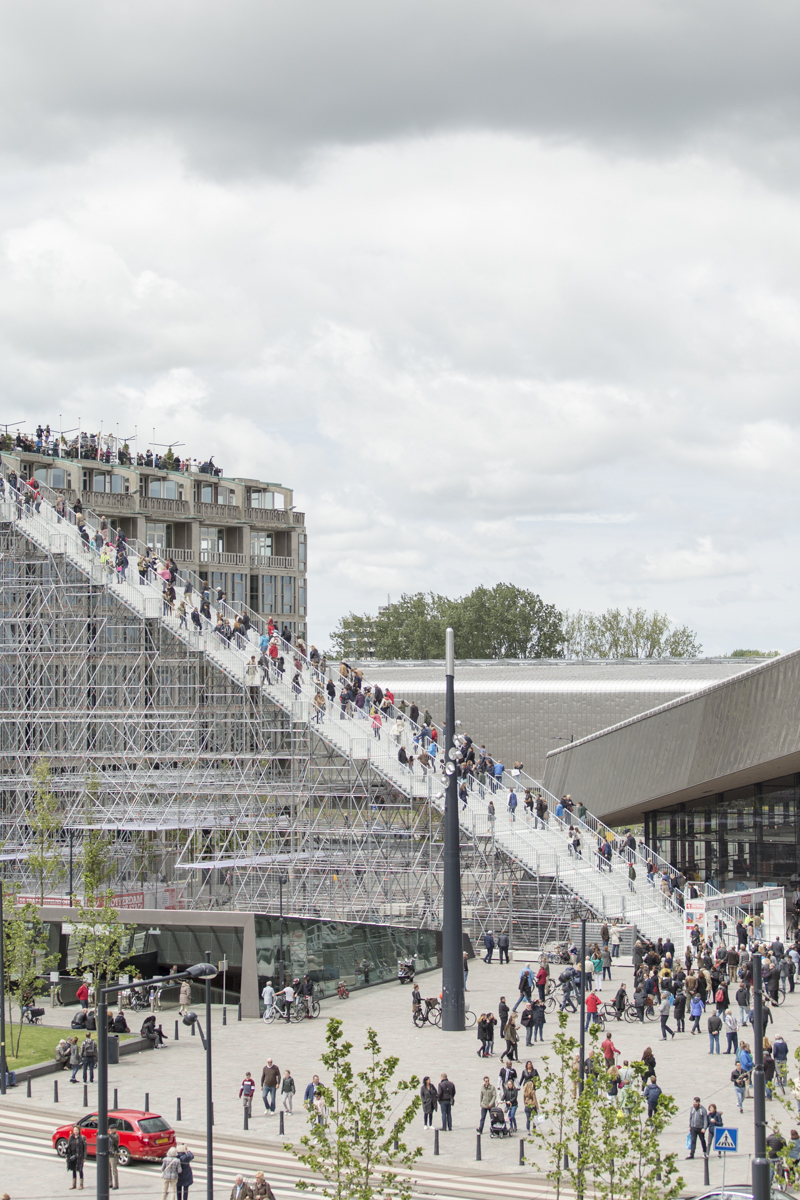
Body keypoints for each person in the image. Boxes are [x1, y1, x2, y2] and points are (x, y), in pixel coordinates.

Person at [66, 1124, 87, 1189]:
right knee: (73, 1170)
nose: (75, 1132)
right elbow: (68, 1147)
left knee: (80, 1170)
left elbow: (85, 1148)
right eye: (74, 1130)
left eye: (76, 1130)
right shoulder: (71, 1137)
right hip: (72, 1156)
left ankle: (81, 1184)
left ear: (79, 1131)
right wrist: (67, 1156)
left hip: (79, 1156)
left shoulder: (82, 1138)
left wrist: (84, 1157)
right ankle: (74, 1184)